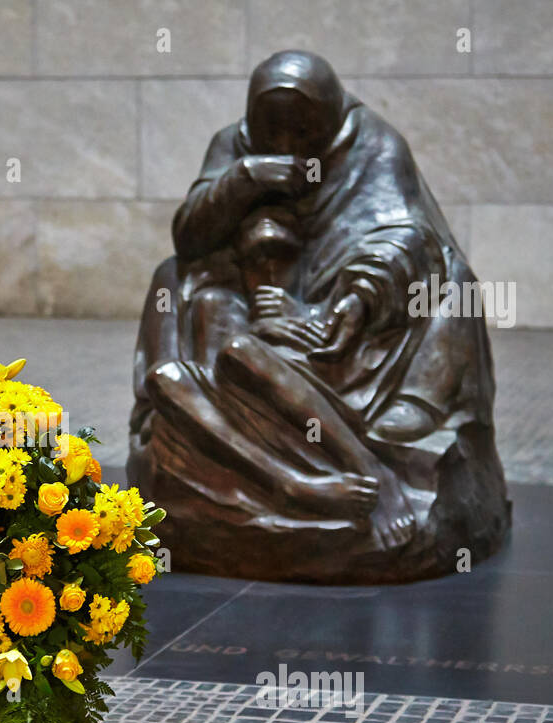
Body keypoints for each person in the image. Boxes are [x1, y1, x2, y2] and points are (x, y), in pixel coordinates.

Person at [129, 50, 497, 555]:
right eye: (271, 131)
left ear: (328, 119)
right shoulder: (232, 146)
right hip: (249, 301)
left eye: (302, 132)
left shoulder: (374, 145)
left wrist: (357, 301)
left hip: (345, 302)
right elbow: (190, 237)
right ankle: (267, 451)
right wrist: (246, 178)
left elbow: (407, 237)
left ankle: (382, 434)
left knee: (454, 283)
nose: (286, 145)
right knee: (175, 286)